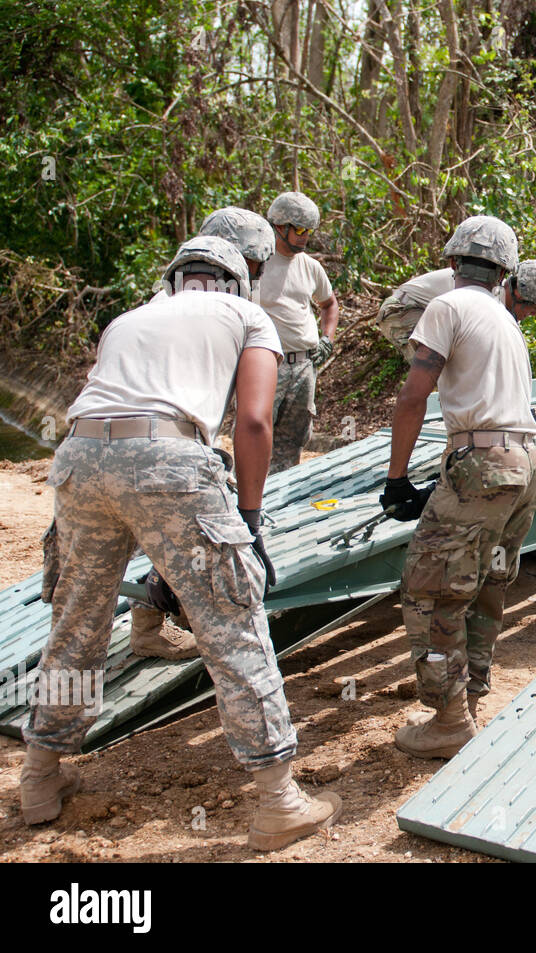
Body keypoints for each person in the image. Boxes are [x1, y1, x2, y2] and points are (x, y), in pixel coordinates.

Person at [20, 237, 341, 850]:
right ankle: (278, 801)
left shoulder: (126, 319)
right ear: (236, 282)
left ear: (176, 278)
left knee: (77, 621)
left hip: (80, 459)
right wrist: (247, 517)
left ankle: (41, 774)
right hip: (166, 458)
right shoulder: (249, 316)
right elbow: (253, 420)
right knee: (231, 623)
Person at [379, 217, 536, 758]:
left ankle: (449, 721)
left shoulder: (446, 307)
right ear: (504, 274)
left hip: (483, 465)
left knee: (431, 589)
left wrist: (397, 479)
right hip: (526, 464)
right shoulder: (504, 320)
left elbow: (413, 396)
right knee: (485, 583)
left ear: (452, 264)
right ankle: (470, 696)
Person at [131, 206, 278, 661]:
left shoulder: (159, 303)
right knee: (212, 543)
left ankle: (144, 627)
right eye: (253, 267)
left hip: (104, 443)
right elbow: (252, 419)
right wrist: (249, 521)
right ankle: (206, 631)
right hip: (171, 447)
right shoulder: (233, 312)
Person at [258, 191, 340, 473]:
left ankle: (281, 495)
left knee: (293, 439)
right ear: (280, 227)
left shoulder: (310, 266)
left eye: (310, 231)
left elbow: (328, 304)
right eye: (301, 230)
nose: (306, 237)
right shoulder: (257, 265)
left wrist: (327, 338)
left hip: (305, 365)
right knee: (257, 430)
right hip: (268, 363)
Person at [378, 260, 536, 362]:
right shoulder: (488, 297)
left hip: (427, 311)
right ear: (519, 294)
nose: (533, 314)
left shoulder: (497, 296)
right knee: (432, 366)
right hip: (401, 310)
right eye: (533, 309)